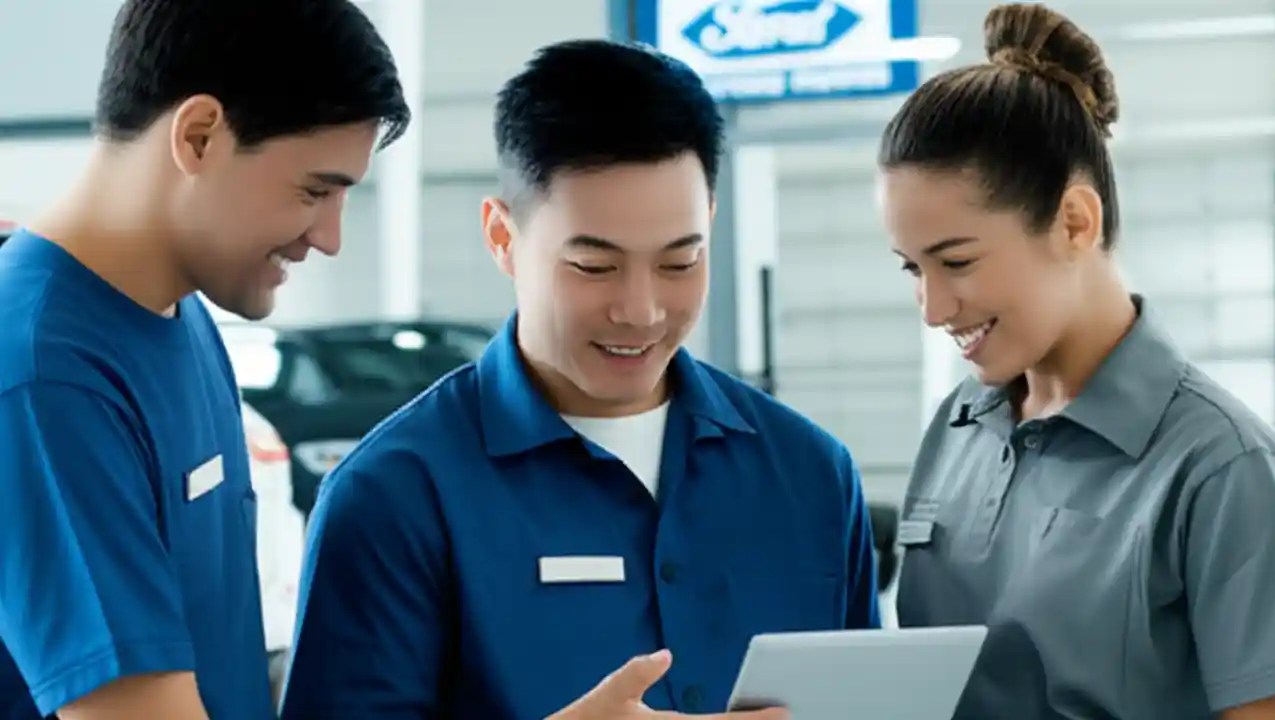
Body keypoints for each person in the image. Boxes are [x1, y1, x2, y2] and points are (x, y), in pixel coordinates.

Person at [280, 39, 879, 719]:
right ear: (503, 238)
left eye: (680, 263)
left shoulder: (811, 476)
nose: (641, 310)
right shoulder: (395, 496)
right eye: (594, 267)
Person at [0, 1, 410, 718]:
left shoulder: (181, 314)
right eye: (314, 191)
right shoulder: (43, 374)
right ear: (198, 136)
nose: (330, 237)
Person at [879, 3, 1275, 718]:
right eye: (912, 269)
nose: (933, 308)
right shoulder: (958, 428)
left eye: (957, 261)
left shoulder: (1221, 467)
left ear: (1074, 220)